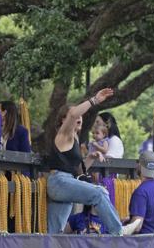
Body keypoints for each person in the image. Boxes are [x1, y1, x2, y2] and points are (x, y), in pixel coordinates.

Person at [44, 86, 138, 236]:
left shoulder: (74, 138)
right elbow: (73, 114)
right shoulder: (64, 134)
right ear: (63, 120)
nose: (79, 117)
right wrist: (95, 100)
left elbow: (79, 172)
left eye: (80, 116)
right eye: (75, 116)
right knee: (99, 193)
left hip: (64, 183)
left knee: (55, 233)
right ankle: (118, 230)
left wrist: (90, 158)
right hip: (59, 182)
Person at [128, 151, 154, 235]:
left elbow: (137, 226)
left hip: (144, 242)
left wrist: (124, 226)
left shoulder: (141, 192)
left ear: (139, 166)